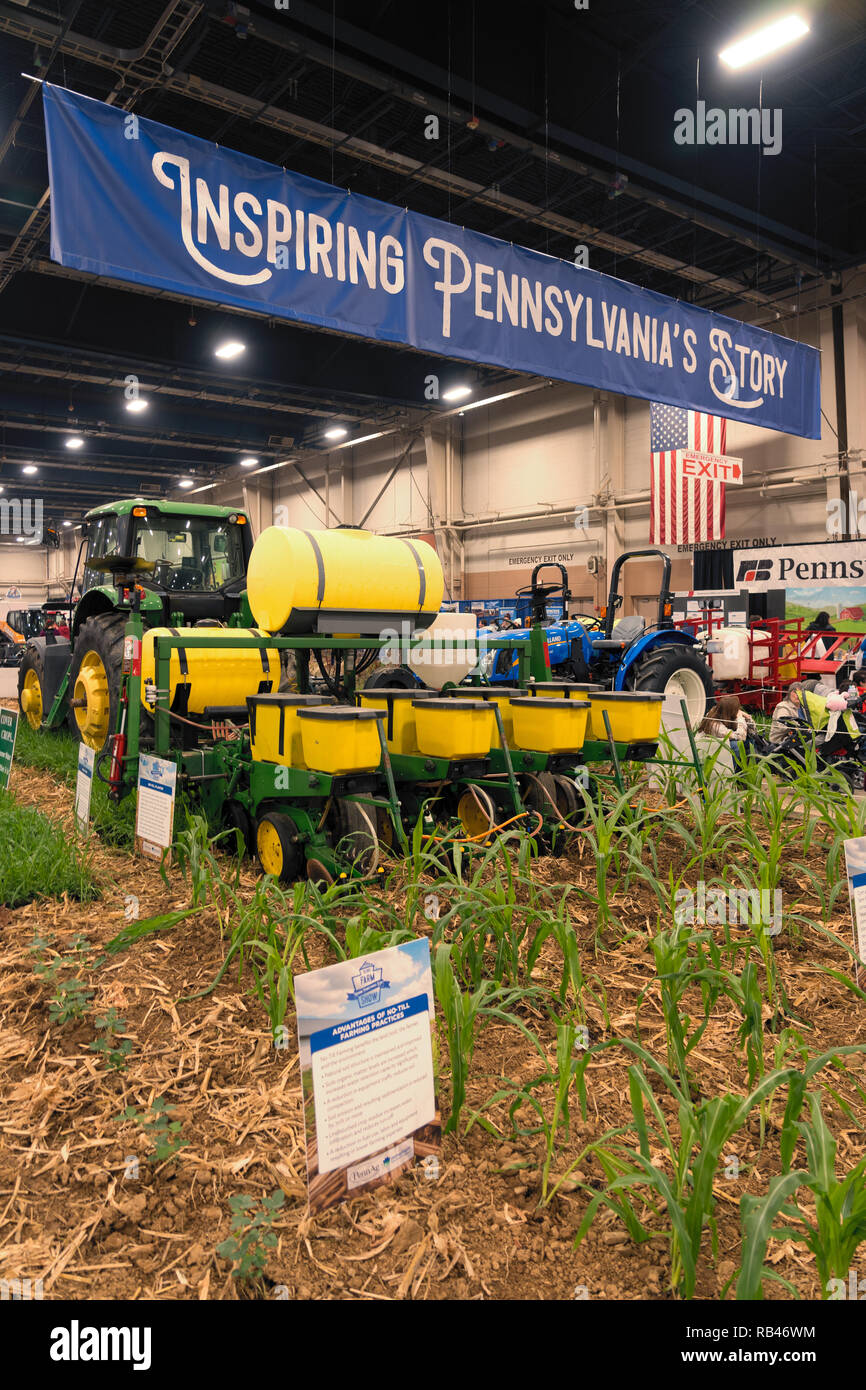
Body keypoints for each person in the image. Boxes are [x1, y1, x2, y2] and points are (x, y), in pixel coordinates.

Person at [699, 693, 756, 765]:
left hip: (721, 744)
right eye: (737, 709)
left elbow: (753, 731)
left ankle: (746, 765)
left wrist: (747, 717)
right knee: (735, 745)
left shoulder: (724, 714)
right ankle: (734, 771)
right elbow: (740, 737)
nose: (738, 710)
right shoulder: (714, 724)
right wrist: (740, 718)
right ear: (731, 711)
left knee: (751, 739)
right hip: (710, 747)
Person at [769, 681, 804, 747]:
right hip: (781, 742)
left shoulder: (803, 708)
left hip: (798, 739)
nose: (798, 695)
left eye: (800, 693)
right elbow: (782, 726)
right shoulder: (783, 707)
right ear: (789, 693)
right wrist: (799, 728)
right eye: (795, 692)